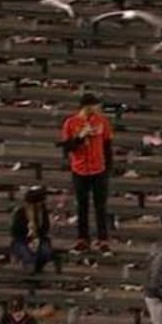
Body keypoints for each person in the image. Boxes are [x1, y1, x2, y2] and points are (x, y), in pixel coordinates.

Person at [60, 92, 113, 254]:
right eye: (96, 105)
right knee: (82, 206)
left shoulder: (102, 121)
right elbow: (66, 148)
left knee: (100, 207)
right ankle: (83, 239)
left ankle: (103, 240)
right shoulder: (71, 123)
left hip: (99, 170)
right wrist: (80, 137)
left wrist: (108, 167)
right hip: (80, 170)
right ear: (87, 106)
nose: (98, 107)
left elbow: (107, 145)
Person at [9, 185, 53, 274]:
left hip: (39, 238)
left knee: (45, 252)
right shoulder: (21, 212)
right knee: (28, 255)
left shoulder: (42, 211)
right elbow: (15, 232)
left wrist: (37, 237)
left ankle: (38, 271)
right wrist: (29, 235)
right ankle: (29, 276)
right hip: (21, 240)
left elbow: (45, 228)